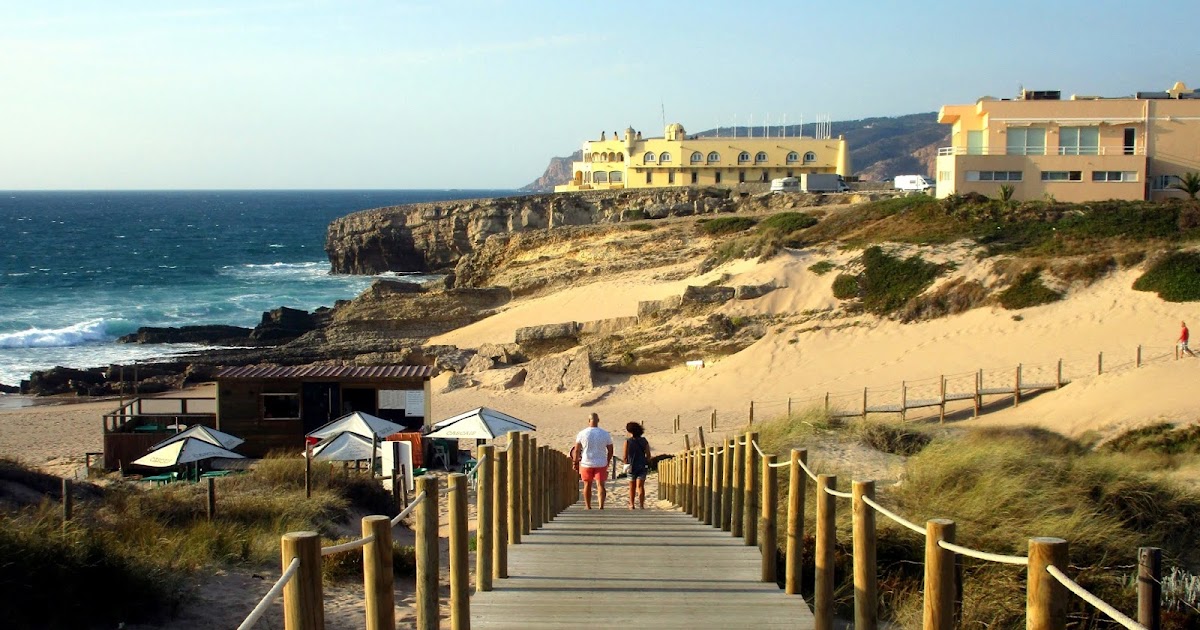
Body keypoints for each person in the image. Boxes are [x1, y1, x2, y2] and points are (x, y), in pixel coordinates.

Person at [573, 412, 613, 509]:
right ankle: (601, 506)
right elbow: (611, 450)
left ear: (588, 421)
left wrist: (575, 461)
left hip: (586, 462)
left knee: (587, 484)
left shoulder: (582, 433)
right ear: (598, 420)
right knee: (600, 484)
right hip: (601, 462)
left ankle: (588, 506)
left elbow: (577, 450)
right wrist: (607, 460)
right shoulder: (605, 433)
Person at [623, 422, 651, 510]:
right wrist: (646, 462)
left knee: (632, 487)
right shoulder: (644, 441)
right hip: (642, 465)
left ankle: (632, 504)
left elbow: (624, 456)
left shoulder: (628, 441)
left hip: (632, 466)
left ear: (630, 431)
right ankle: (641, 505)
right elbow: (648, 454)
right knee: (640, 486)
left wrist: (626, 464)